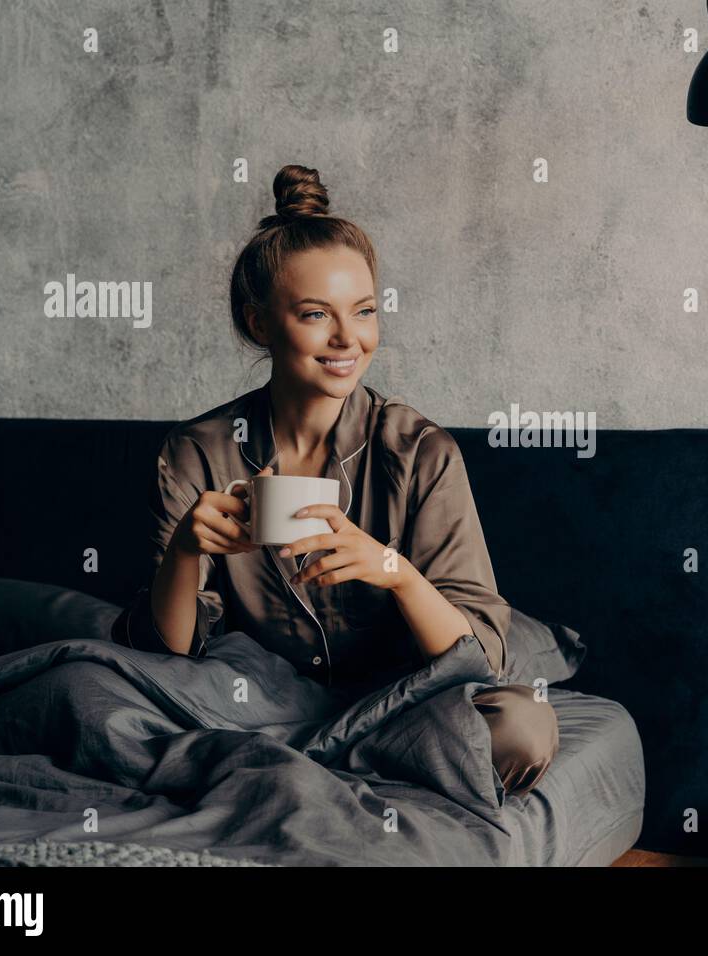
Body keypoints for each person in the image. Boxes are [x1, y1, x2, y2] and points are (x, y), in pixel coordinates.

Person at [112, 164, 558, 795]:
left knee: (522, 727)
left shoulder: (421, 452)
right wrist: (186, 551)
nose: (349, 338)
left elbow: (479, 653)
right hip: (257, 700)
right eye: (316, 314)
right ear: (260, 324)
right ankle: (314, 768)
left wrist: (393, 570)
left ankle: (284, 771)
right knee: (87, 691)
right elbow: (165, 656)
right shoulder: (198, 452)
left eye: (366, 311)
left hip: (400, 699)